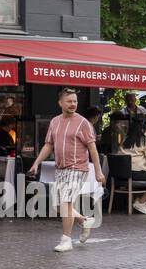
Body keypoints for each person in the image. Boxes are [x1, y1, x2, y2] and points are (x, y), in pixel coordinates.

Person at [31, 89, 104, 251]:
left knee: (66, 202)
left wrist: (98, 171)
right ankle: (84, 220)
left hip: (77, 168)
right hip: (60, 169)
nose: (73, 104)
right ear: (60, 103)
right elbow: (48, 144)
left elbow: (93, 149)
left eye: (75, 101)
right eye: (69, 101)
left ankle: (66, 240)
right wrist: (36, 162)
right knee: (58, 205)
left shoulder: (83, 123)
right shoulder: (55, 122)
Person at [112, 116, 146, 214]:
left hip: (121, 174)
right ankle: (141, 201)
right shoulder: (144, 140)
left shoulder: (125, 139)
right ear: (143, 129)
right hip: (135, 173)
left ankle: (139, 200)